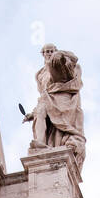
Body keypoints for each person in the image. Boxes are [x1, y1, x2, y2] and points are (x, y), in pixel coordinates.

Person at [24, 44, 86, 172]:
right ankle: (40, 144)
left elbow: (74, 59)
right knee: (39, 112)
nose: (48, 53)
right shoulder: (40, 74)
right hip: (47, 98)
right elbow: (43, 92)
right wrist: (31, 114)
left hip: (63, 99)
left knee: (60, 131)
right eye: (46, 51)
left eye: (51, 51)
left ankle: (56, 146)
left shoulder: (62, 61)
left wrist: (60, 55)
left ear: (55, 51)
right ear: (42, 54)